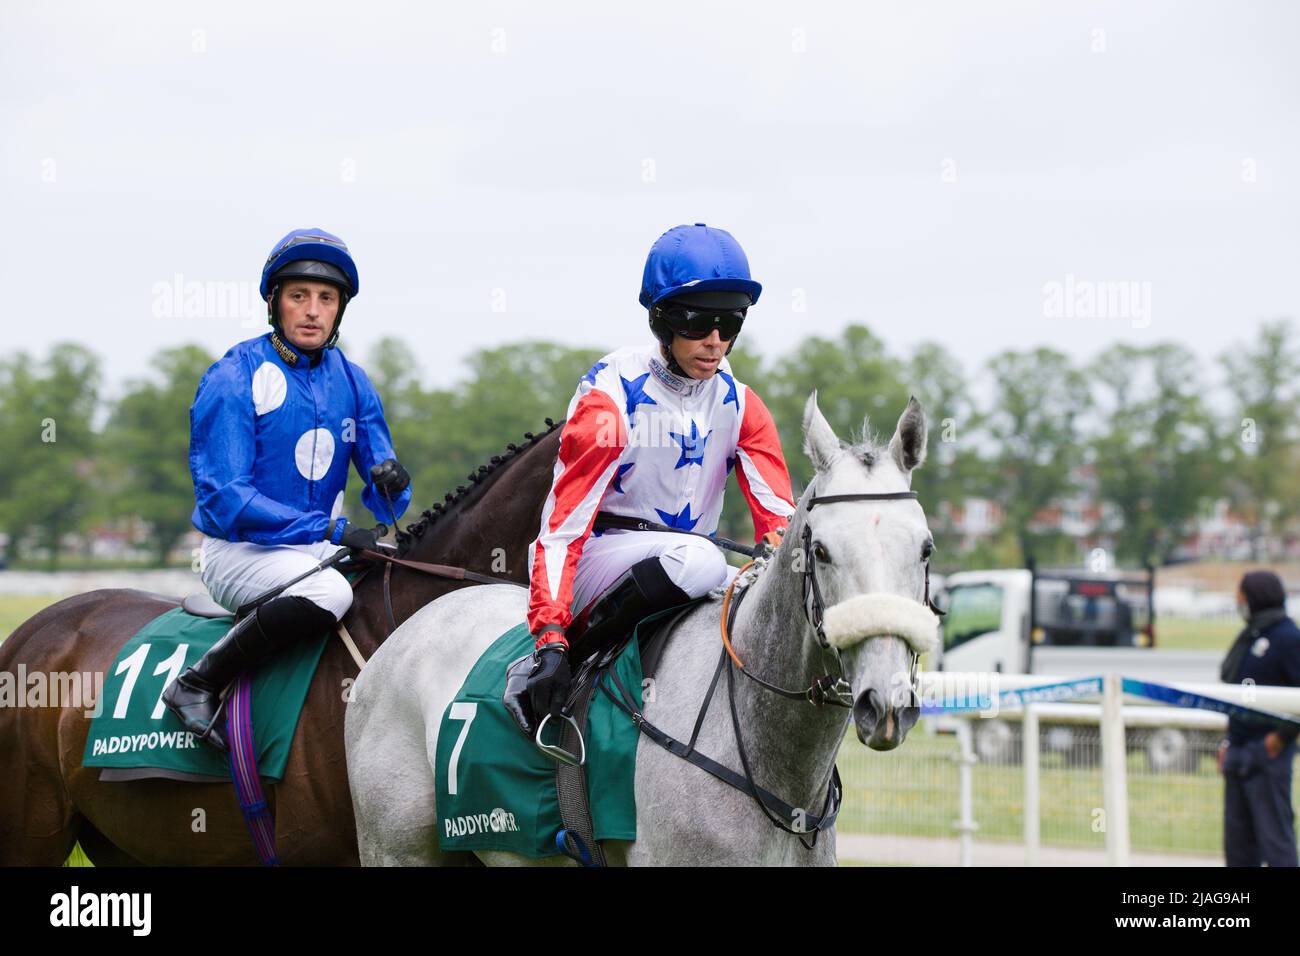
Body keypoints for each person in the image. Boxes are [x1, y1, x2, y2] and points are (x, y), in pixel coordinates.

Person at [504, 223, 796, 736]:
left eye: (730, 324)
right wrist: (550, 632)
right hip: (597, 557)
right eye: (699, 323)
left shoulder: (743, 404)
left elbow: (780, 528)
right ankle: (570, 661)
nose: (715, 341)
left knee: (754, 591)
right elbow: (562, 527)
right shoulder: (611, 395)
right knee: (703, 562)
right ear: (661, 319)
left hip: (680, 566)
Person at [162, 228, 412, 751]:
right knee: (331, 592)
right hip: (240, 553)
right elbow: (226, 499)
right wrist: (332, 529)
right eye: (299, 296)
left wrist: (393, 481)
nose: (313, 311)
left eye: (326, 298)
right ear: (275, 302)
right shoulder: (234, 375)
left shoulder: (353, 379)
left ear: (340, 309)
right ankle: (198, 682)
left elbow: (382, 490)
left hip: (317, 549)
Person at [1218, 569, 1300, 866]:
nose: (1238, 602)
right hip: (1238, 751)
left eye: (1242, 597)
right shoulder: (1251, 635)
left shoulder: (1288, 637)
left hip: (1267, 754)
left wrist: (1280, 739)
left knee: (1275, 841)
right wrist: (1228, 742)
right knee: (1238, 846)